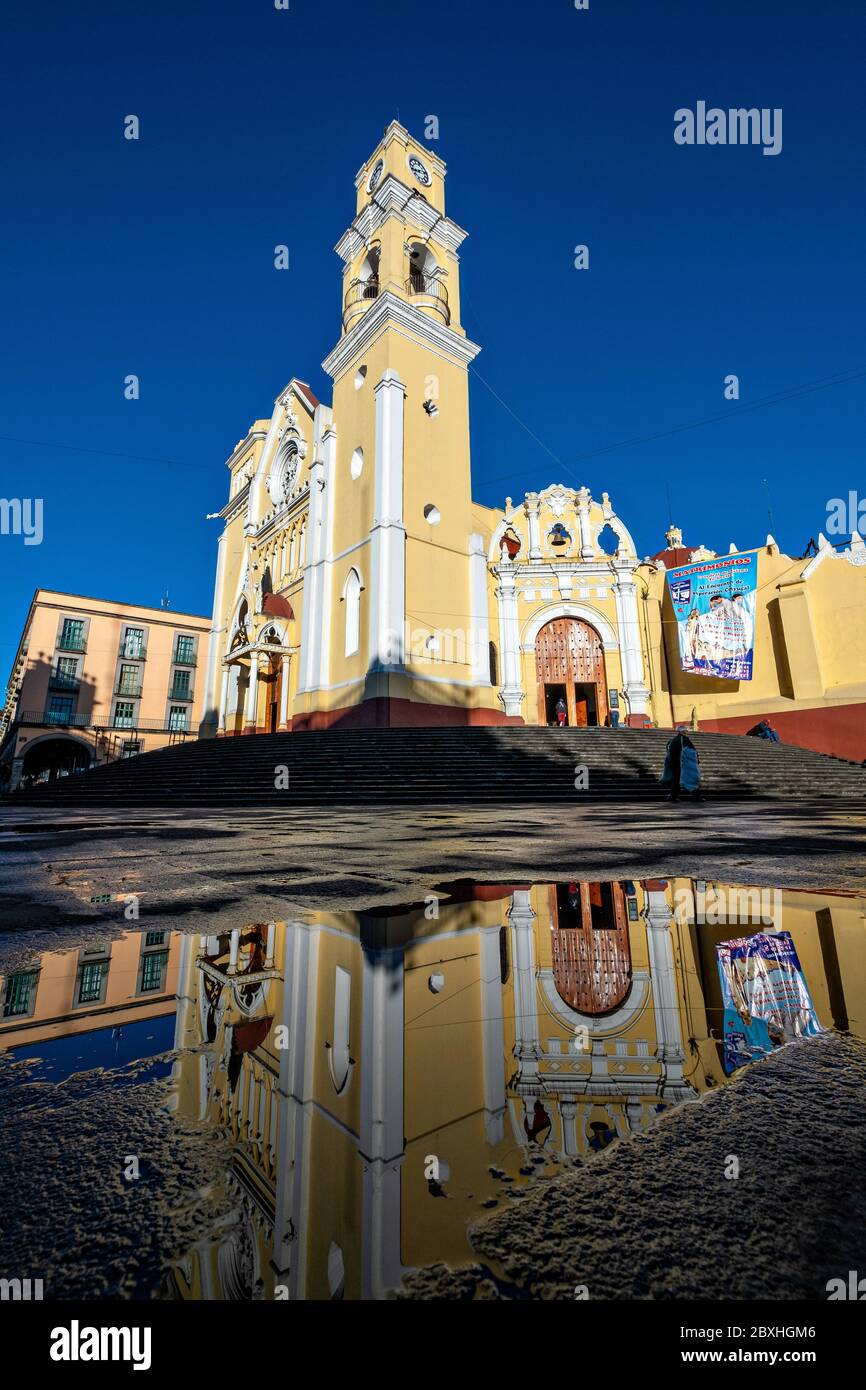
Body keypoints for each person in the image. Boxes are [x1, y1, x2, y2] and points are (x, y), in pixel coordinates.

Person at [661, 730, 703, 802]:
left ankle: (673, 796)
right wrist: (696, 760)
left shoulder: (672, 740)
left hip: (674, 764)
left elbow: (669, 752)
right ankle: (696, 796)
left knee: (676, 780)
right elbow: (692, 751)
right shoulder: (685, 739)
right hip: (684, 763)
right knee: (691, 779)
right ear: (683, 732)